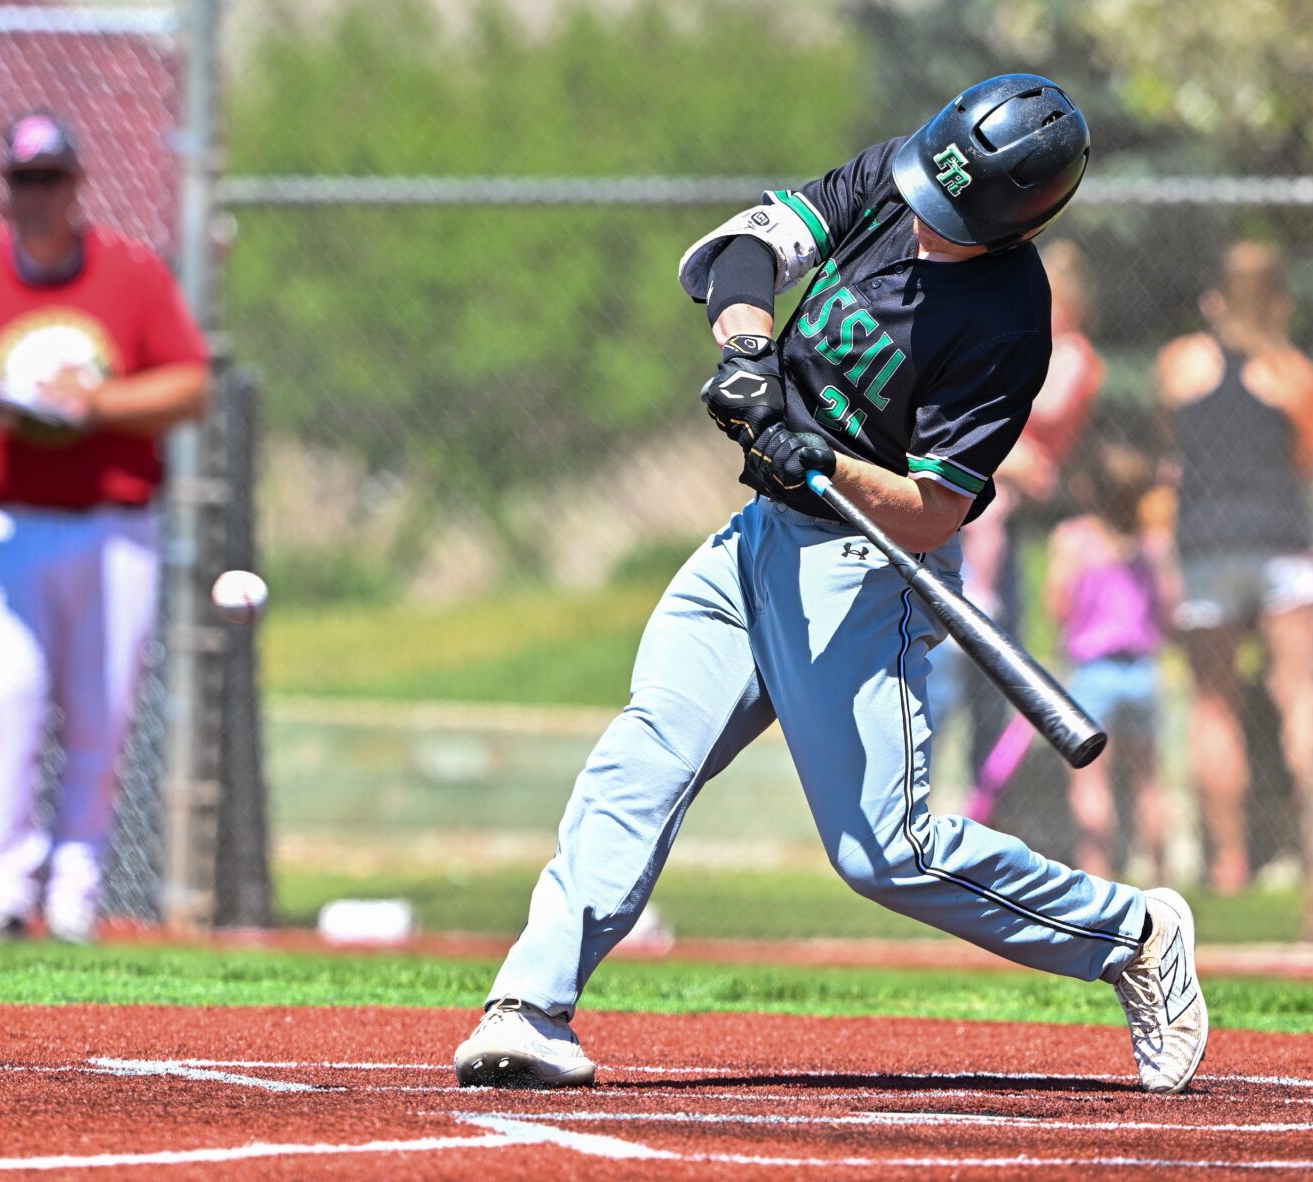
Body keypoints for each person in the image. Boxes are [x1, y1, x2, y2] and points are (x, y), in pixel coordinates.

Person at [453, 75, 1206, 1094]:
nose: (924, 226)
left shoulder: (1006, 323)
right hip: (756, 542)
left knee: (884, 854)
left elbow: (936, 509)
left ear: (1014, 219)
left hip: (863, 567)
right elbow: (742, 254)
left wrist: (816, 458)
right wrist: (752, 355)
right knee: (640, 762)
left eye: (955, 220)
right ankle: (529, 1006)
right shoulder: (901, 174)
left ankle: (1130, 932)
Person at [0, 112, 210, 943]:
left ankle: (73, 899)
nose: (37, 196)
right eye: (24, 181)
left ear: (75, 185)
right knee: (5, 705)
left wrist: (94, 402)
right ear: (7, 186)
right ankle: (0, 892)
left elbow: (190, 386)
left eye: (51, 179)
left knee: (100, 715)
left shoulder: (128, 274)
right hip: (12, 520)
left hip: (116, 523)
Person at [1157, 242, 1313, 894]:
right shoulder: (1295, 373)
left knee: (1214, 703)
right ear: (1279, 298)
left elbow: (1175, 446)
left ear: (1217, 294)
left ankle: (1227, 864)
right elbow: (1307, 462)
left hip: (1206, 541)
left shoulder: (1180, 364)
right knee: (1301, 695)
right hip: (1282, 538)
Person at [930, 238, 1105, 795]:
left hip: (996, 508)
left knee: (987, 648)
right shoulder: (1020, 340)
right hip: (972, 498)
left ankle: (984, 797)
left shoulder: (1070, 355)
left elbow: (1034, 418)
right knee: (949, 650)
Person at [1044, 440, 1178, 881]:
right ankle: (1161, 877)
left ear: (1089, 490)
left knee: (1090, 781)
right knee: (1148, 781)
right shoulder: (1151, 545)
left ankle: (1096, 875)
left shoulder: (1074, 539)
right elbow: (1170, 605)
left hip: (1091, 672)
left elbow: (1057, 604)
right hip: (1142, 670)